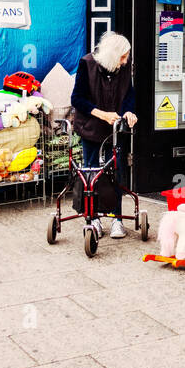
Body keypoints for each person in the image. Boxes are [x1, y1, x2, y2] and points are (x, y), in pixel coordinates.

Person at [70, 31, 137, 239]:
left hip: (114, 130)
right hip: (90, 127)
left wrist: (128, 111)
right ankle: (94, 219)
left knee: (115, 172)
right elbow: (77, 99)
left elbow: (129, 94)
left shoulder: (123, 69)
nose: (125, 61)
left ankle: (117, 218)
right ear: (112, 55)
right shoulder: (87, 64)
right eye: (123, 57)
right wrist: (102, 114)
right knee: (91, 174)